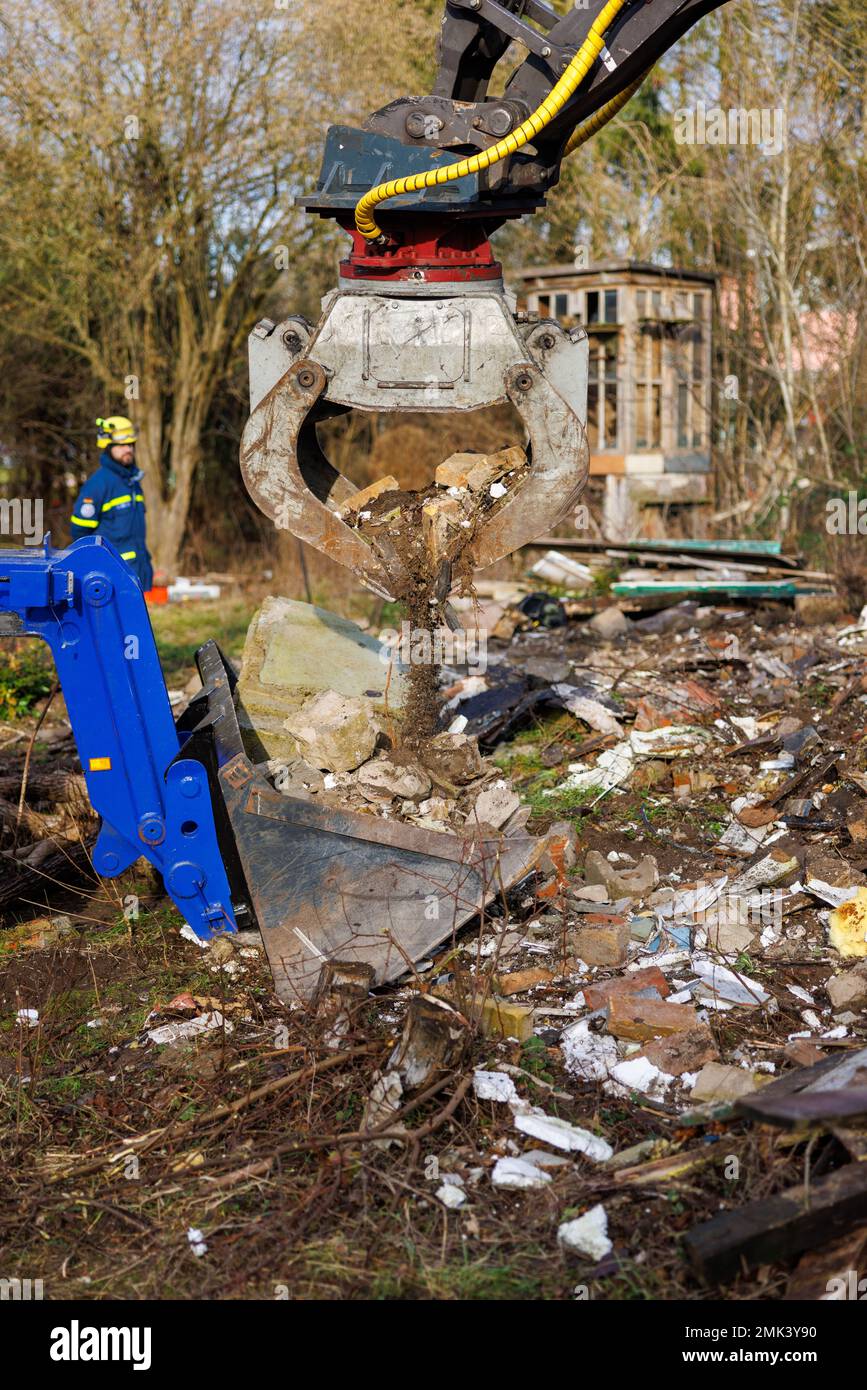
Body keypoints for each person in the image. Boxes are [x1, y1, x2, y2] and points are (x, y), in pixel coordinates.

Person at [70, 417, 154, 590]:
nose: (128, 449)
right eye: (122, 445)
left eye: (131, 445)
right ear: (108, 447)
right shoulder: (99, 484)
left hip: (135, 572)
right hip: (112, 577)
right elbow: (80, 533)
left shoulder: (132, 482)